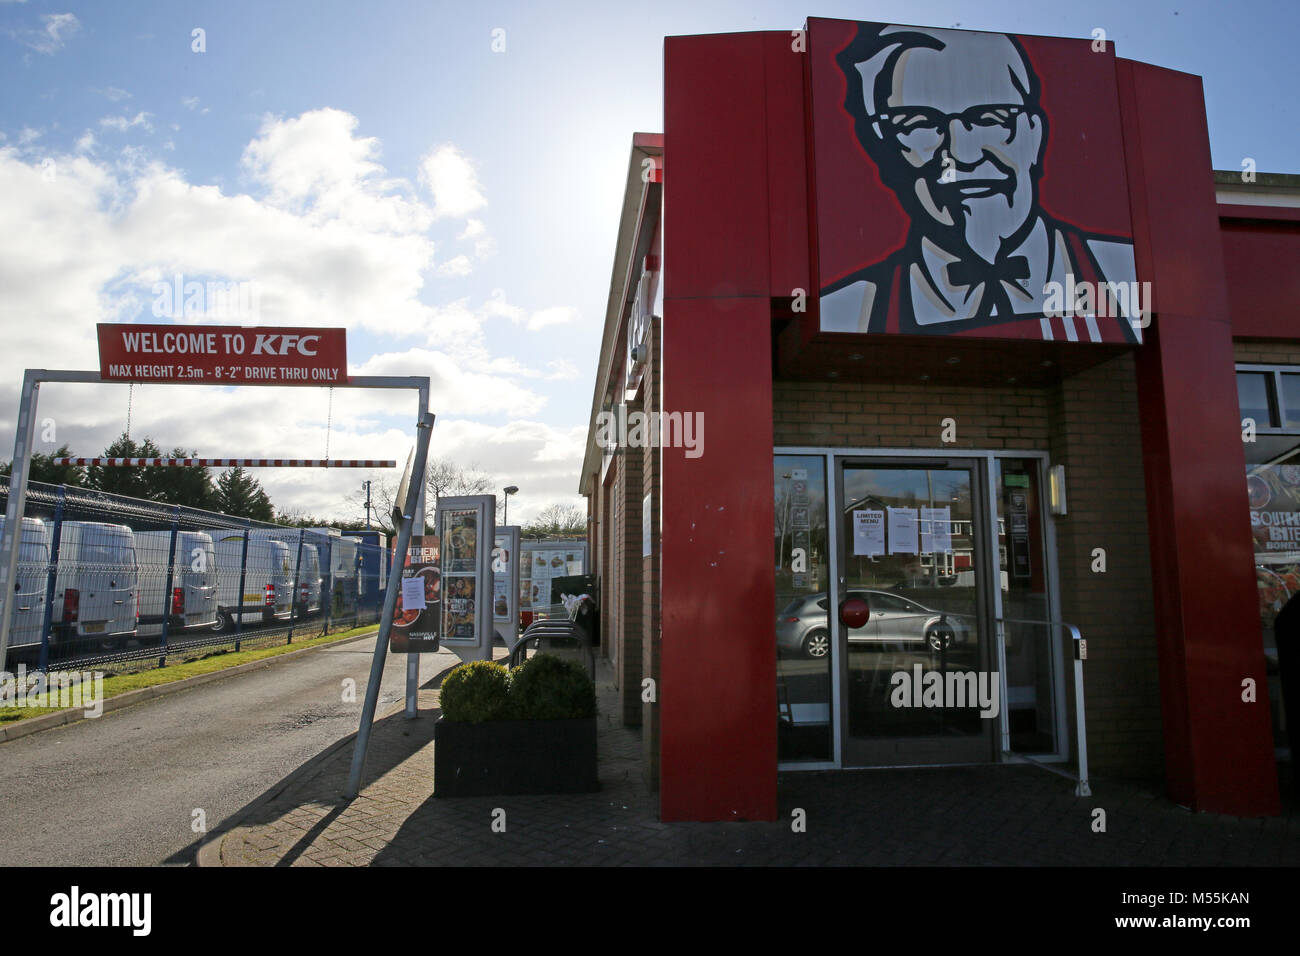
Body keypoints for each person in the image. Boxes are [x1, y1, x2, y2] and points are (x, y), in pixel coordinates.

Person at [820, 24, 1142, 343]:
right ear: (885, 149)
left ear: (1034, 134)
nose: (963, 153)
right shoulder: (849, 308)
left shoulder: (1124, 276)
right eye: (920, 123)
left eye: (991, 118)